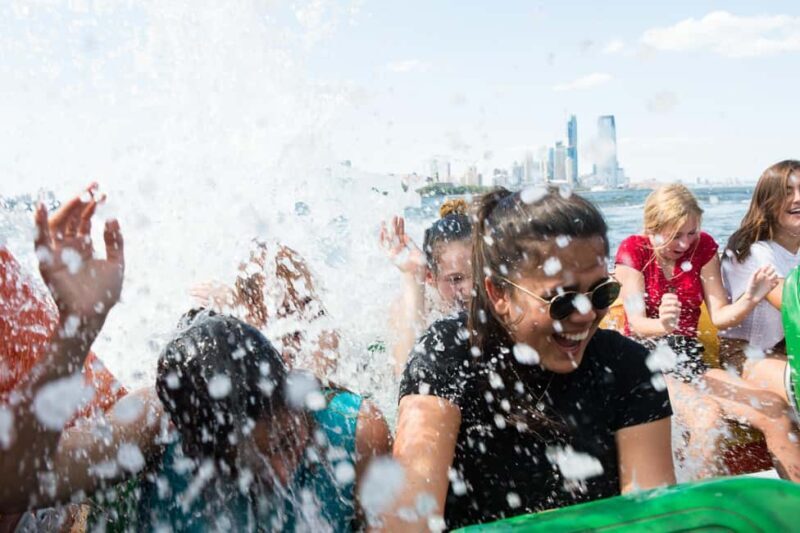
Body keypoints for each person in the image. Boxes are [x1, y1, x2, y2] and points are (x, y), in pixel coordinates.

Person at [0, 198, 392, 532]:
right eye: (247, 467)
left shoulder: (352, 430)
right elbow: (18, 482)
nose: (282, 474)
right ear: (193, 444)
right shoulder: (156, 421)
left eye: (287, 443)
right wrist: (76, 332)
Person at [386, 188, 675, 530]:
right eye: (561, 299)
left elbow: (653, 520)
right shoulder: (448, 357)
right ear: (498, 293)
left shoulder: (628, 366)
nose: (585, 315)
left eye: (601, 293)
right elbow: (405, 524)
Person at [615, 183, 800, 479]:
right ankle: (697, 515)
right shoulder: (633, 250)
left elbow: (722, 317)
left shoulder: (704, 248)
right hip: (644, 363)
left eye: (691, 233)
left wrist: (751, 296)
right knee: (707, 417)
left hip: (690, 360)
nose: (685, 243)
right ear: (651, 227)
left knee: (775, 410)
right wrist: (662, 324)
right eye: (675, 235)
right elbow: (636, 323)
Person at [191, 239, 338, 377]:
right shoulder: (237, 334)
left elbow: (302, 392)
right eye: (286, 310)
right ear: (250, 310)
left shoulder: (322, 331)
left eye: (307, 302)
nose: (301, 315)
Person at [721, 160, 800, 413]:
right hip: (746, 356)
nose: (798, 199)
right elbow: (792, 304)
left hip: (788, 352)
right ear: (768, 201)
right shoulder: (754, 251)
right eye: (787, 192)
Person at [380, 199, 472, 375]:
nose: (469, 289)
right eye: (456, 279)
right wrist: (412, 278)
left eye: (478, 275)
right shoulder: (415, 307)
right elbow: (404, 378)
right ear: (430, 277)